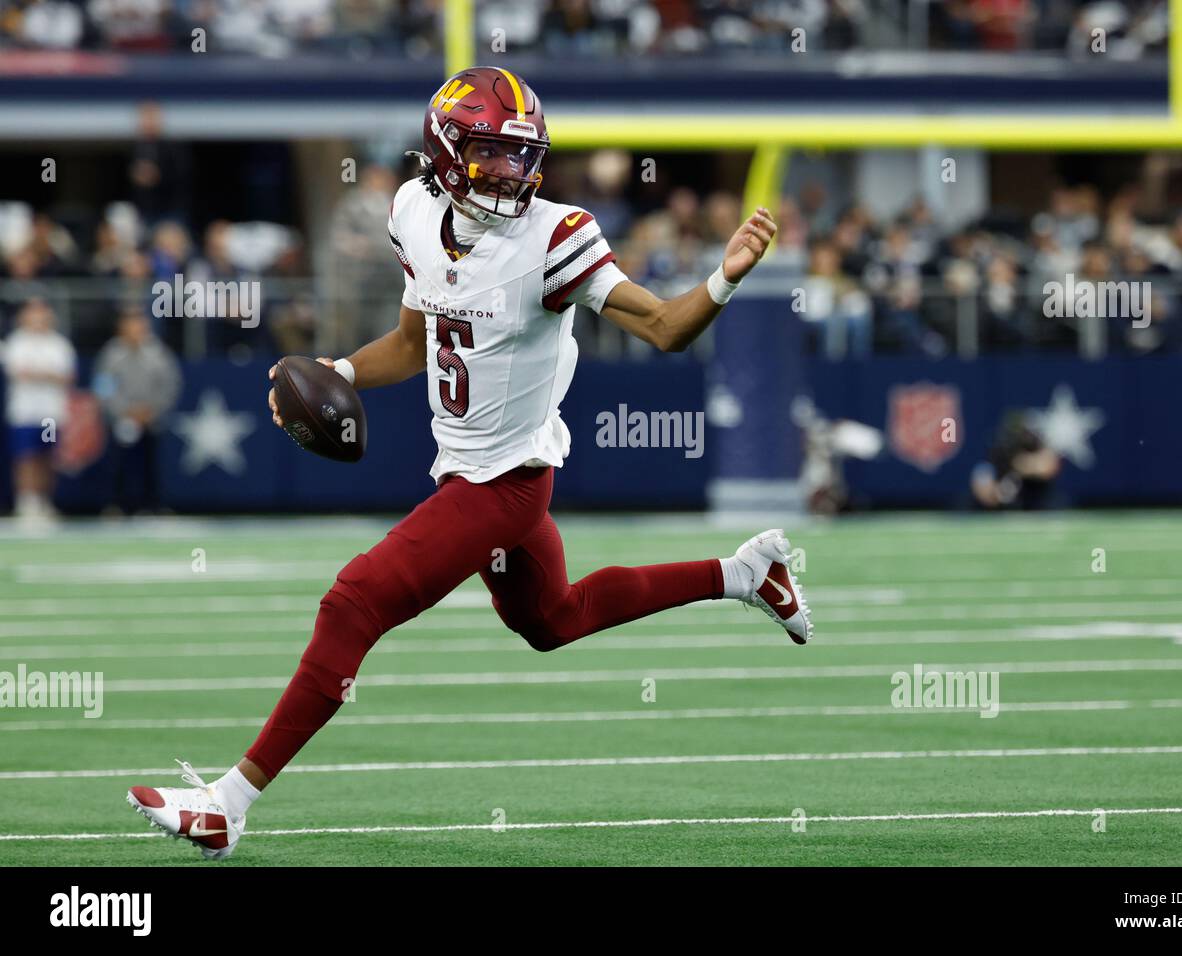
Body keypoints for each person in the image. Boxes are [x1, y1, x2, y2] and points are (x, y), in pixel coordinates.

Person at [125, 66, 812, 859]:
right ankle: (746, 575)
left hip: (508, 481)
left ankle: (228, 803)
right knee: (551, 620)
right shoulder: (415, 212)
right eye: (492, 155)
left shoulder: (555, 237)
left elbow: (662, 326)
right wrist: (340, 374)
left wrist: (723, 277)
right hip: (463, 464)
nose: (511, 174)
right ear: (445, 153)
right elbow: (415, 344)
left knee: (354, 602)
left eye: (524, 157)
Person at [93, 309, 183, 514]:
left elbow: (170, 385)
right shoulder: (111, 354)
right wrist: (124, 412)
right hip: (120, 419)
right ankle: (116, 505)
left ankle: (152, 505)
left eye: (140, 325)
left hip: (151, 418)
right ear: (121, 328)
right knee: (118, 462)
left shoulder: (158, 353)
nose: (136, 330)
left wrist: (151, 410)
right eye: (131, 325)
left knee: (151, 463)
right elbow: (104, 388)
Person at [0, 299, 75, 522]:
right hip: (24, 413)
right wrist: (47, 375)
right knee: (25, 457)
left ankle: (44, 501)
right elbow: (17, 373)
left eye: (42, 315)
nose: (38, 320)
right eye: (33, 314)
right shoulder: (16, 343)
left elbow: (66, 377)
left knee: (47, 457)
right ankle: (26, 502)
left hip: (50, 414)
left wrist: (38, 374)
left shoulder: (59, 345)